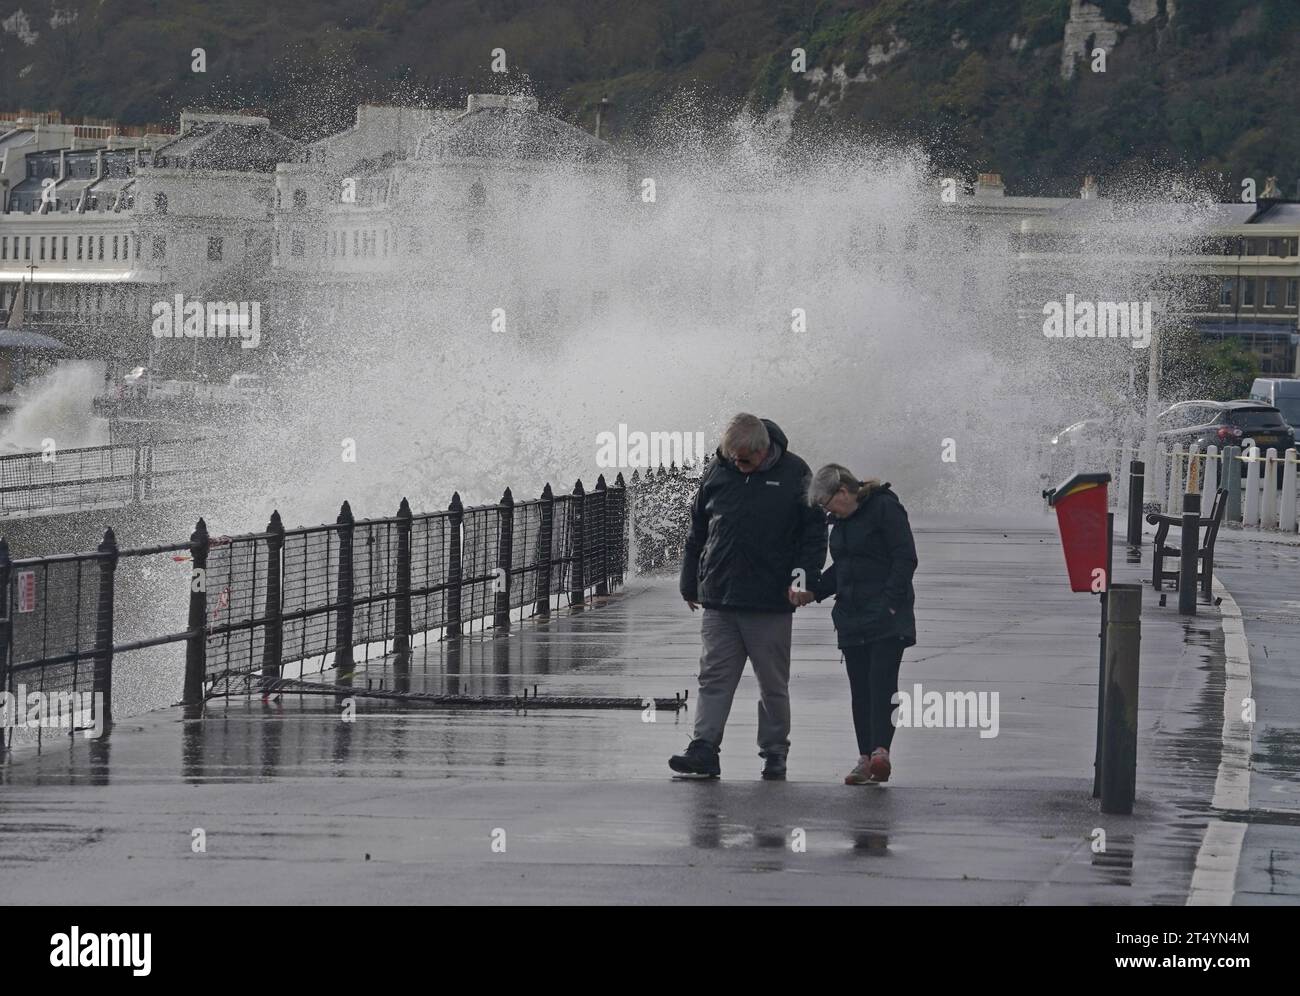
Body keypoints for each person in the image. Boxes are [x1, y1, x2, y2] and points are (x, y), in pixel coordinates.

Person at [670, 413, 827, 780]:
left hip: (770, 600)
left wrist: (802, 580)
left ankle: (774, 752)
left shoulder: (795, 474)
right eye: (732, 459)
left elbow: (814, 535)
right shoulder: (719, 471)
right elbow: (698, 531)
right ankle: (704, 748)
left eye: (744, 460)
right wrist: (689, 581)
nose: (737, 466)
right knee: (713, 677)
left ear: (763, 450)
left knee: (772, 683)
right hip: (720, 596)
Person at [806, 464, 918, 785]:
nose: (828, 512)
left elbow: (905, 557)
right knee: (860, 689)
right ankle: (865, 759)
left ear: (843, 491)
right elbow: (841, 568)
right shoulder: (840, 523)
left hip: (887, 616)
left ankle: (881, 752)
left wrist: (892, 603)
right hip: (851, 616)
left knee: (881, 683)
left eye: (828, 503)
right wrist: (812, 590)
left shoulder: (885, 508)